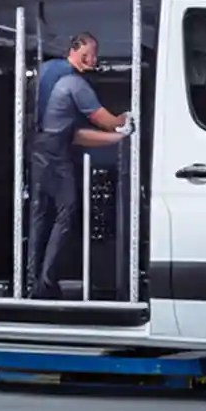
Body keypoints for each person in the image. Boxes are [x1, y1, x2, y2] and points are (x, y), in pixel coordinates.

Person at [26, 32, 131, 300]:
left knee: (40, 216)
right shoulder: (74, 83)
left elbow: (74, 133)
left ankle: (31, 281)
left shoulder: (46, 73)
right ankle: (46, 283)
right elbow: (108, 121)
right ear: (76, 50)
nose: (94, 59)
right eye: (91, 53)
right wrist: (126, 121)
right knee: (67, 211)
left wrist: (118, 137)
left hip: (38, 149)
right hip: (57, 156)